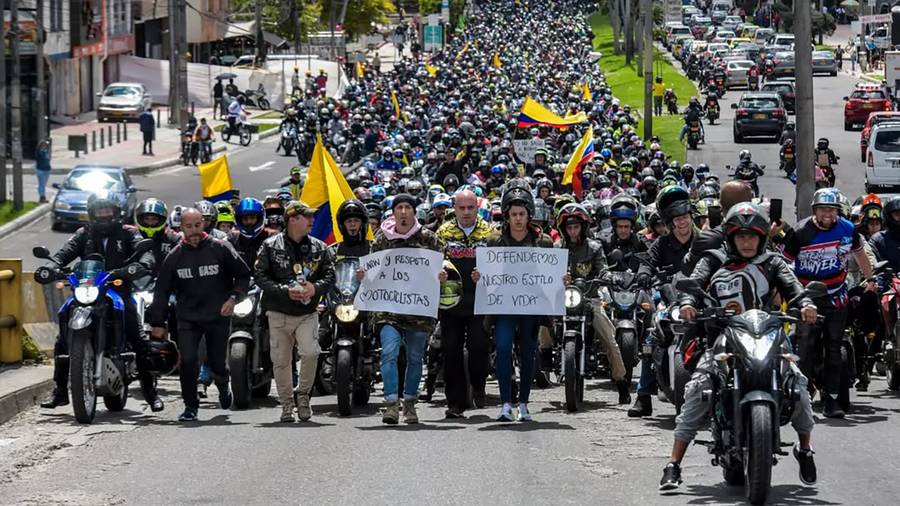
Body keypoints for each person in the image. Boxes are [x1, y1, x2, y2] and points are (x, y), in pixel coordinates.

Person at [659, 203, 819, 491]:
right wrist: (687, 304)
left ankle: (805, 449)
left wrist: (806, 304)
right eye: (741, 236)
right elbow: (694, 283)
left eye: (753, 236)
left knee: (798, 386)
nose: (747, 242)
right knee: (698, 389)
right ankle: (673, 463)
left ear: (761, 237)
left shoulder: (773, 262)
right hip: (723, 338)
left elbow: (793, 288)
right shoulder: (713, 259)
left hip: (768, 336)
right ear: (731, 237)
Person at [40, 193, 160, 411]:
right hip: (88, 290)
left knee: (140, 339)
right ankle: (60, 391)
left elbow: (146, 252)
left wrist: (142, 264)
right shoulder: (83, 234)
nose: (103, 215)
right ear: (91, 213)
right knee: (61, 339)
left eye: (107, 211)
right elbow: (63, 254)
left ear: (117, 212)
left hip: (118, 292)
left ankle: (151, 393)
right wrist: (52, 267)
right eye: (99, 211)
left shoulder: (129, 233)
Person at [148, 207, 251, 422]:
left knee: (217, 363)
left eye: (197, 225)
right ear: (181, 228)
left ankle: (223, 385)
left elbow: (243, 275)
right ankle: (190, 406)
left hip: (217, 316)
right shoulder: (174, 256)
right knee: (188, 361)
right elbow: (161, 291)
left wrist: (233, 299)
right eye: (188, 227)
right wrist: (158, 322)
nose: (193, 231)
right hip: (187, 318)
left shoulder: (221, 248)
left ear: (203, 223)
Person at [782, 188, 875, 418]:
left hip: (837, 295)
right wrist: (791, 294)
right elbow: (783, 264)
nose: (828, 214)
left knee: (834, 347)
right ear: (815, 210)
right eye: (823, 209)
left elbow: (860, 254)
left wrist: (870, 280)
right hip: (806, 297)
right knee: (805, 345)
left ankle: (833, 399)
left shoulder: (848, 230)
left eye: (832, 210)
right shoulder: (799, 231)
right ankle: (802, 400)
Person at [474, 181, 554, 422]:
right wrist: (480, 276)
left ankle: (525, 404)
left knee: (529, 352)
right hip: (503, 307)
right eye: (513, 214)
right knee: (503, 346)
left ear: (529, 214)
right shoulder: (494, 241)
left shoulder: (544, 242)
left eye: (522, 214)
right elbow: (489, 276)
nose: (518, 218)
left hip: (531, 306)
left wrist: (561, 277)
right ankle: (506, 402)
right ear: (506, 216)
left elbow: (550, 276)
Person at [362, 193, 443, 424]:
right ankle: (390, 405)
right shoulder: (381, 239)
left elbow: (441, 262)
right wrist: (364, 274)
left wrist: (442, 273)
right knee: (389, 352)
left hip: (418, 309)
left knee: (416, 357)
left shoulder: (428, 238)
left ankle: (409, 404)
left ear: (414, 212)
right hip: (389, 308)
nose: (404, 212)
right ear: (393, 212)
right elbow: (373, 269)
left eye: (408, 207)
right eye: (400, 207)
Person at [255, 200, 335, 422]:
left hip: (307, 313)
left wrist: (314, 288)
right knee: (281, 360)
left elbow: (330, 276)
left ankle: (303, 396)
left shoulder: (319, 247)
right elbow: (260, 275)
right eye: (306, 217)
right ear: (292, 219)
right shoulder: (270, 246)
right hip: (278, 312)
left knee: (310, 352)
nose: (312, 221)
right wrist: (284, 290)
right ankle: (287, 403)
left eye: (312, 217)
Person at [629, 186, 700, 417]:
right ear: (670, 222)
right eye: (677, 219)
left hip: (701, 299)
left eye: (685, 217)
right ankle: (643, 396)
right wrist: (643, 273)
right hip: (670, 299)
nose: (682, 223)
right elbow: (648, 261)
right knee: (652, 336)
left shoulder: (703, 240)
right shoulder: (662, 243)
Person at [556, 203, 632, 404]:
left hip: (590, 298)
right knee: (542, 326)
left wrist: (608, 276)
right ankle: (545, 355)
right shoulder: (557, 249)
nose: (573, 231)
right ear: (564, 229)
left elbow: (603, 268)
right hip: (562, 299)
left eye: (576, 227)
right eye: (569, 227)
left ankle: (621, 381)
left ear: (583, 227)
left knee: (609, 337)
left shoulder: (595, 247)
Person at [437, 190, 493, 418]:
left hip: (480, 300)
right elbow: (432, 260)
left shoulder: (490, 233)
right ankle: (455, 403)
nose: (467, 212)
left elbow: (500, 266)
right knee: (451, 352)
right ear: (455, 208)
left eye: (471, 208)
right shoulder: (442, 232)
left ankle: (479, 384)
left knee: (480, 348)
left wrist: (486, 273)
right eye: (462, 208)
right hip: (451, 301)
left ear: (477, 208)